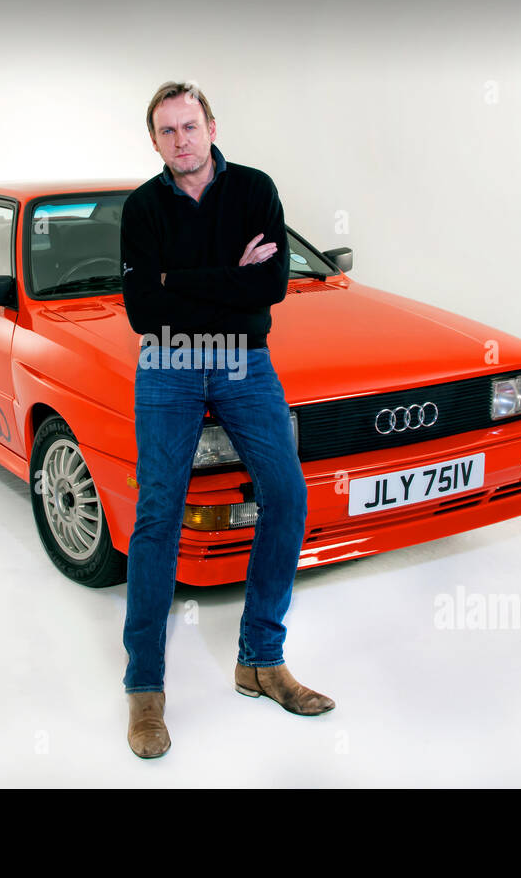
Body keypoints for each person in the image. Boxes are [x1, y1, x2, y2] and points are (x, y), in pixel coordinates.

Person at [118, 81, 335, 760]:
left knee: (288, 493)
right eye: (167, 131)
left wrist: (176, 283)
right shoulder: (142, 208)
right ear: (154, 140)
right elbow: (140, 312)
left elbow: (268, 289)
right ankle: (145, 691)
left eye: (190, 126)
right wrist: (223, 278)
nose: (181, 140)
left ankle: (261, 661)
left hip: (245, 358)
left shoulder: (255, 190)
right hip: (168, 360)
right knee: (158, 511)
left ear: (211, 125)